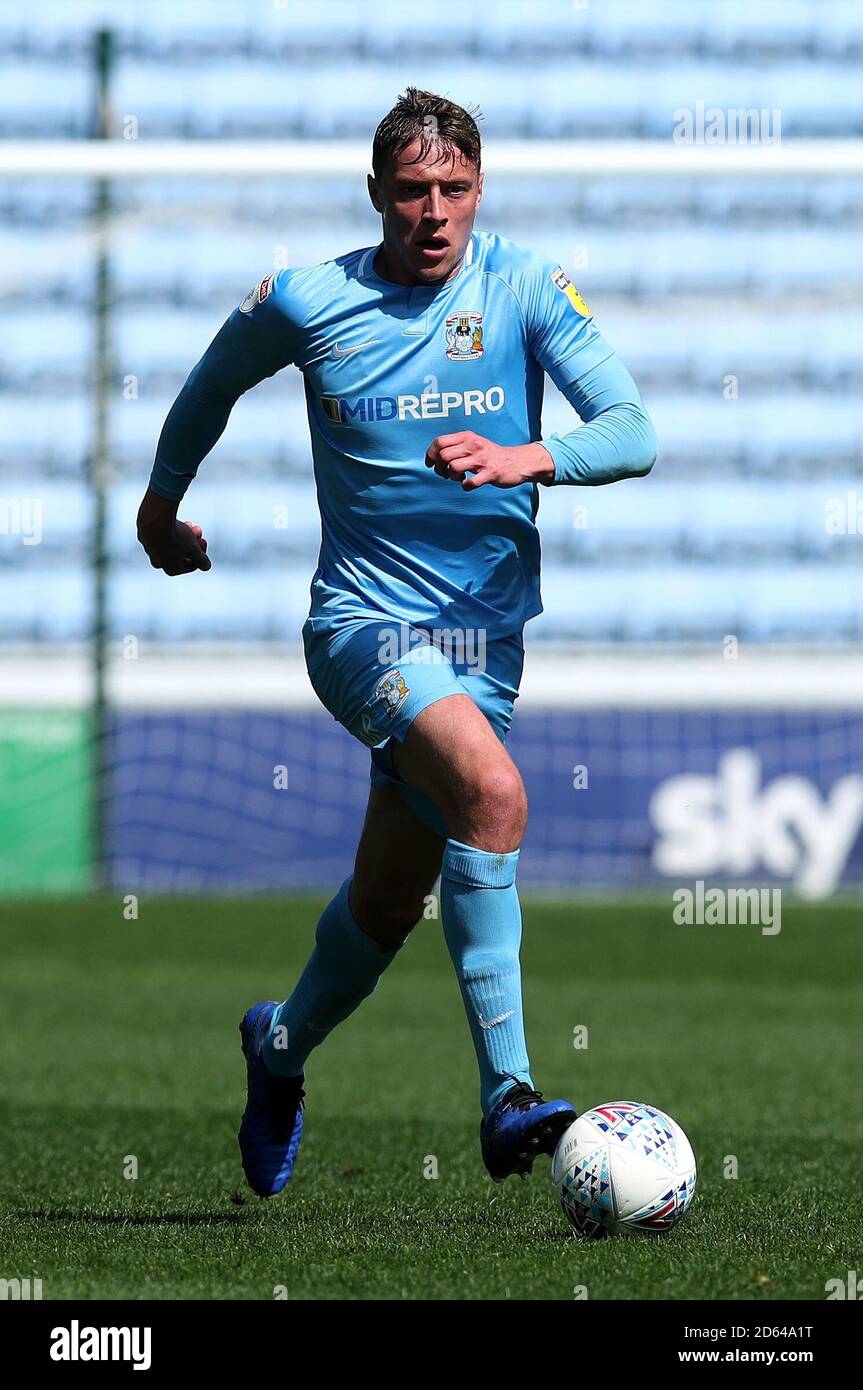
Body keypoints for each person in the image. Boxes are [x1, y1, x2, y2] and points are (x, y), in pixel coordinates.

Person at [136, 88, 657, 1198]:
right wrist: (158, 507)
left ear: (479, 188)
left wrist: (531, 457)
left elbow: (633, 430)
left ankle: (277, 1047)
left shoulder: (520, 285)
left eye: (453, 189)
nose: (433, 210)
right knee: (496, 796)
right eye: (412, 190)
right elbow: (209, 384)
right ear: (375, 192)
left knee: (385, 901)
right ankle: (508, 1095)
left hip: (486, 644)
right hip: (362, 626)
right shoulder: (309, 299)